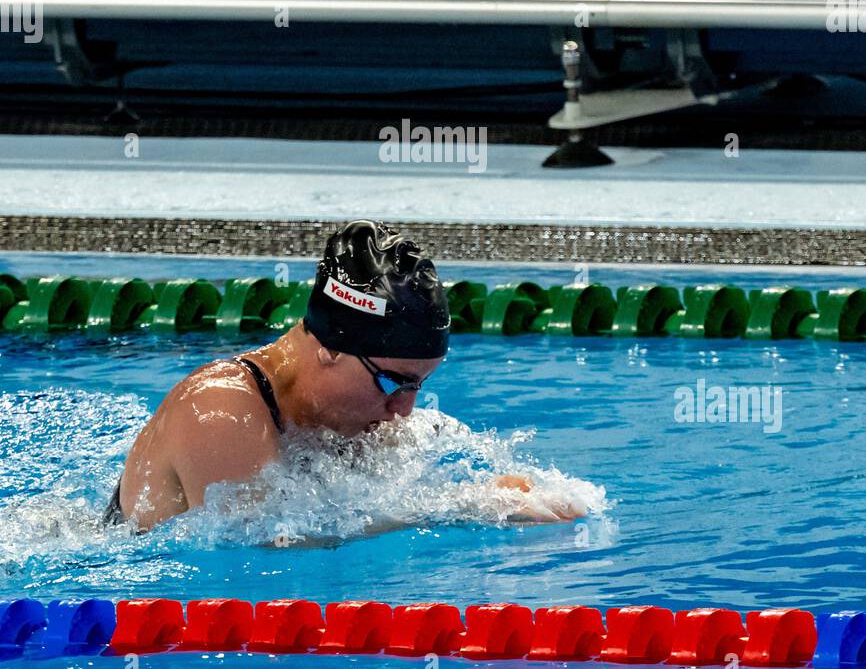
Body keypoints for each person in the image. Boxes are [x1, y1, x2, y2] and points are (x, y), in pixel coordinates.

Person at [102, 219, 582, 532]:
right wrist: (459, 509)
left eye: (419, 385)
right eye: (394, 382)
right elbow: (262, 546)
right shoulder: (220, 408)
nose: (404, 410)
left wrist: (501, 490)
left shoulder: (352, 417)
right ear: (331, 348)